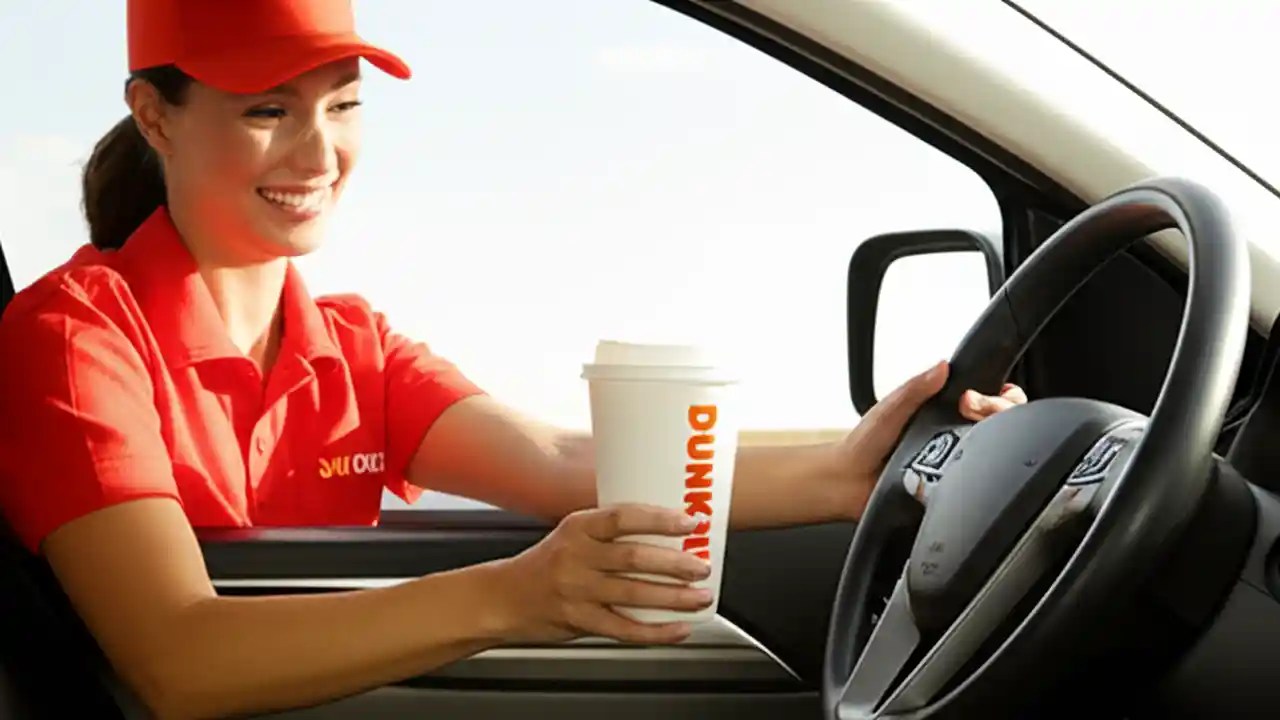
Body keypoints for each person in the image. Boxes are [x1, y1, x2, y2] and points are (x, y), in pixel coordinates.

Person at [0, 1, 1026, 718]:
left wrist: (853, 468)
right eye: (267, 110)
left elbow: (565, 462)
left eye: (343, 105)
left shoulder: (353, 344)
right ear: (153, 115)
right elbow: (178, 663)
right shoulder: (74, 340)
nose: (318, 156)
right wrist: (518, 594)